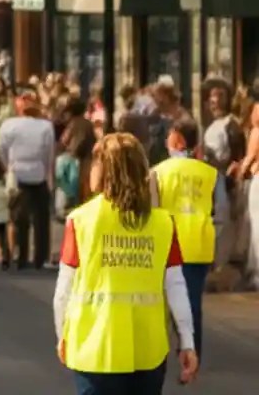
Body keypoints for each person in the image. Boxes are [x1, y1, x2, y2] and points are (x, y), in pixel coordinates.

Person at [53, 132, 198, 393]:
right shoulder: (163, 224)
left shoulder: (81, 220)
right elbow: (176, 286)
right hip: (148, 351)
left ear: (105, 170)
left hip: (94, 349)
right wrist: (187, 341)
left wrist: (62, 333)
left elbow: (64, 289)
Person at [150, 116, 224, 361]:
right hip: (199, 244)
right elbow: (218, 209)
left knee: (160, 303)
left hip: (168, 244)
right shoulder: (209, 173)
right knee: (192, 304)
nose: (166, 140)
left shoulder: (159, 172)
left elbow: (153, 210)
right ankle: (192, 352)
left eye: (170, 135)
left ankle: (157, 353)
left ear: (178, 139)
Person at [0, 90, 55, 269]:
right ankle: (40, 257)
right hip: (38, 172)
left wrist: (9, 167)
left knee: (18, 218)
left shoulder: (8, 125)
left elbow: (2, 150)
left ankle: (20, 257)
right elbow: (49, 153)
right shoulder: (46, 126)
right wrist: (47, 172)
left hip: (16, 173)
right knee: (41, 220)